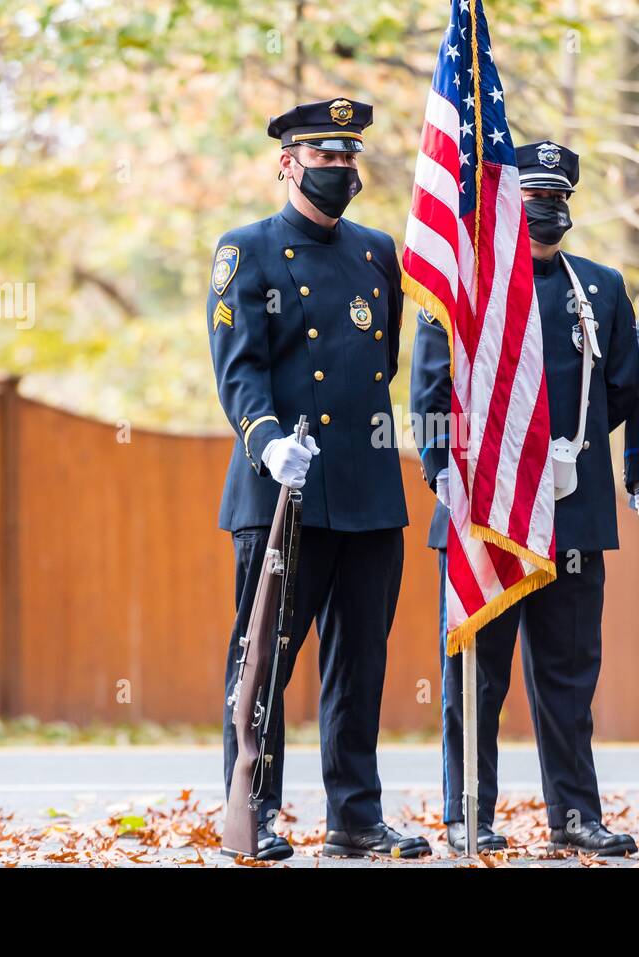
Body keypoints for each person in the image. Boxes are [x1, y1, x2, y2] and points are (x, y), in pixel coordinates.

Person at [207, 97, 429, 860]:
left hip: (366, 489)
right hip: (282, 492)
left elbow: (384, 361)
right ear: (288, 162)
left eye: (348, 158)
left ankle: (356, 816)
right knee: (264, 655)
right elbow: (240, 373)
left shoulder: (375, 253)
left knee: (361, 660)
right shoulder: (248, 251)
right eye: (325, 157)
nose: (339, 170)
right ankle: (254, 808)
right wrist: (267, 443)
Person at [411, 140, 639, 856]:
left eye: (556, 200)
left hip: (571, 511)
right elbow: (429, 389)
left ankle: (575, 814)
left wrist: (551, 447)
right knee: (475, 681)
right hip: (486, 508)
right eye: (533, 200)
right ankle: (467, 811)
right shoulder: (467, 282)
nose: (548, 212)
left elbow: (624, 393)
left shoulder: (601, 288)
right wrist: (443, 468)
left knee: (570, 678)